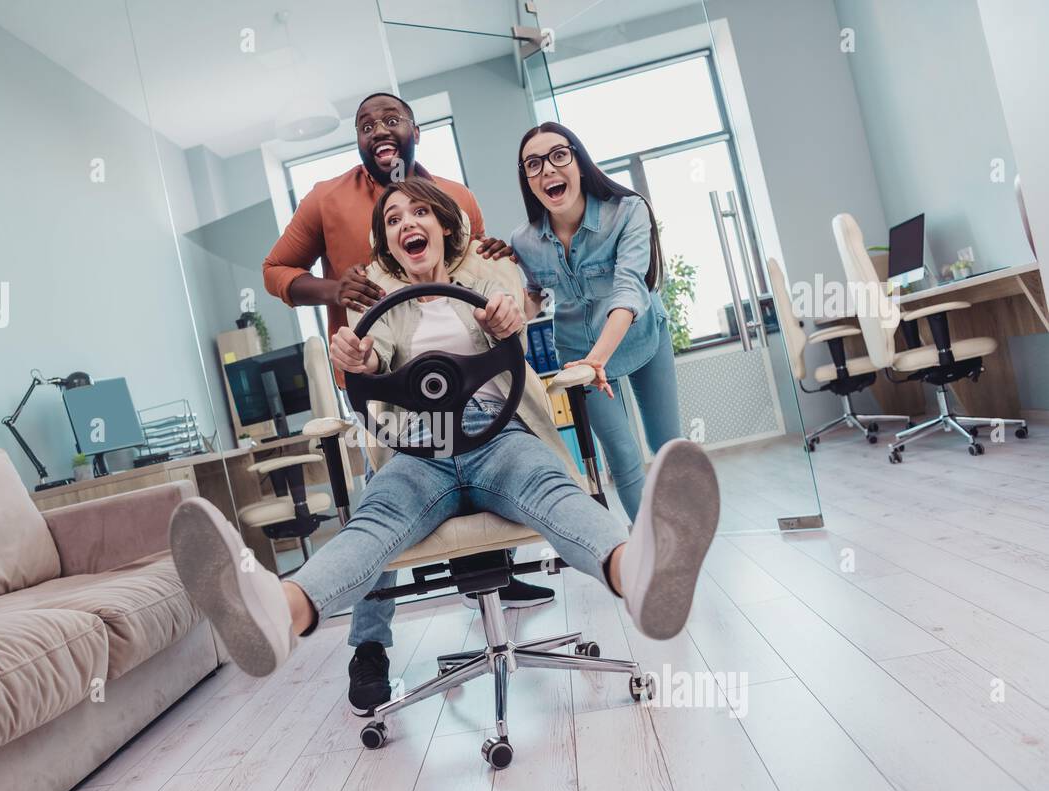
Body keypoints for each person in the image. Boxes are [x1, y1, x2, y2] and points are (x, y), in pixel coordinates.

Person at [177, 178, 720, 690]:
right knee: (373, 520)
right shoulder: (380, 300)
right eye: (393, 219)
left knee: (554, 492)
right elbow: (376, 351)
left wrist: (505, 324)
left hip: (499, 436)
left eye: (418, 212)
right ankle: (278, 614)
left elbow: (516, 318)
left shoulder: (488, 277)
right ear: (388, 241)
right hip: (422, 446)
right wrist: (360, 358)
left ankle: (640, 574)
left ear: (441, 225)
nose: (406, 223)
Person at [262, 92, 552, 716]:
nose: (379, 131)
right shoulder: (325, 198)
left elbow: (479, 261)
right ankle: (370, 646)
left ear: (415, 129)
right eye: (365, 126)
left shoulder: (454, 193)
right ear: (359, 141)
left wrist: (499, 254)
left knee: (491, 450)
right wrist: (333, 287)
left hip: (475, 382)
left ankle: (495, 577)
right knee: (385, 505)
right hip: (382, 378)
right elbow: (276, 271)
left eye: (391, 120)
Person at [511, 122, 682, 522]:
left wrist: (597, 360)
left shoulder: (628, 211)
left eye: (558, 155)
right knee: (622, 457)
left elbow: (628, 290)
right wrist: (514, 312)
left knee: (667, 444)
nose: (547, 170)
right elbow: (536, 292)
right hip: (577, 355)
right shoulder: (524, 240)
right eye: (533, 164)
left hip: (640, 337)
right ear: (527, 179)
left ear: (579, 161)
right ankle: (651, 551)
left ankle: (679, 532)